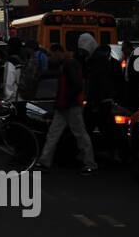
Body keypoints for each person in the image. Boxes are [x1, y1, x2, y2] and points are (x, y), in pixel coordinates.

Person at [37, 44, 97, 175]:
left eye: (50, 55)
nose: (48, 58)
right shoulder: (68, 64)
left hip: (69, 105)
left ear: (58, 52)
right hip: (67, 105)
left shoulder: (68, 64)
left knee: (75, 134)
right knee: (60, 134)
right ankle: (45, 161)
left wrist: (66, 101)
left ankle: (89, 163)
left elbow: (76, 85)